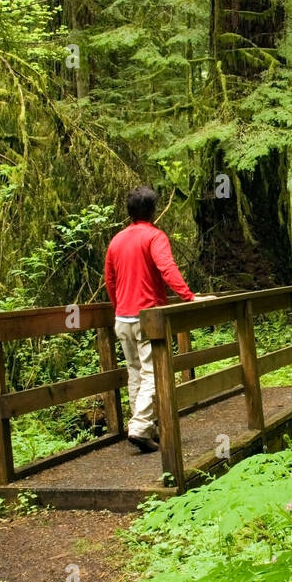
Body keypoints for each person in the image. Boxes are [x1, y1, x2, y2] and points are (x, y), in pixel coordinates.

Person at [104, 186, 213, 452]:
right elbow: (167, 268)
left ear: (130, 212)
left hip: (123, 318)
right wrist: (188, 296)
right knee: (153, 373)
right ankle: (141, 427)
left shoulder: (116, 240)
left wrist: (119, 307)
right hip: (148, 316)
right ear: (152, 211)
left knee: (135, 373)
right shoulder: (154, 236)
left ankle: (145, 428)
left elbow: (110, 279)